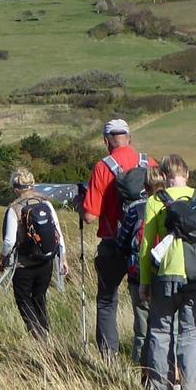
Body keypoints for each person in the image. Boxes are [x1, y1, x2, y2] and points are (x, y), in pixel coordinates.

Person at [138, 154, 196, 390]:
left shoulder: (155, 201)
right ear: (188, 174)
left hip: (165, 275)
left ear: (163, 176)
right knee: (191, 336)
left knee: (161, 333)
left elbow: (146, 245)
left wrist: (144, 281)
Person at [82, 118, 157, 358]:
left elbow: (90, 216)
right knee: (145, 304)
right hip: (145, 244)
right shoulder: (150, 164)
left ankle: (108, 358)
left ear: (106, 141)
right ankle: (147, 359)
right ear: (130, 138)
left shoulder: (103, 167)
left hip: (113, 243)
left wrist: (80, 203)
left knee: (106, 301)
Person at [0, 169, 71, 339]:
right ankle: (45, 333)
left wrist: (2, 259)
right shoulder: (46, 204)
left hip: (24, 264)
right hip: (46, 261)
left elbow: (9, 241)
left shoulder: (14, 209)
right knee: (40, 297)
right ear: (33, 185)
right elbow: (57, 232)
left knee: (23, 300)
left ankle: (38, 336)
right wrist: (63, 259)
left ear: (15, 188)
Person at [117, 166, 166, 364]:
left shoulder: (135, 209)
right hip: (167, 275)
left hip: (138, 276)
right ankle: (165, 369)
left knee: (142, 328)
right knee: (165, 328)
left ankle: (142, 371)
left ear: (145, 186)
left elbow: (122, 243)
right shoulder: (172, 206)